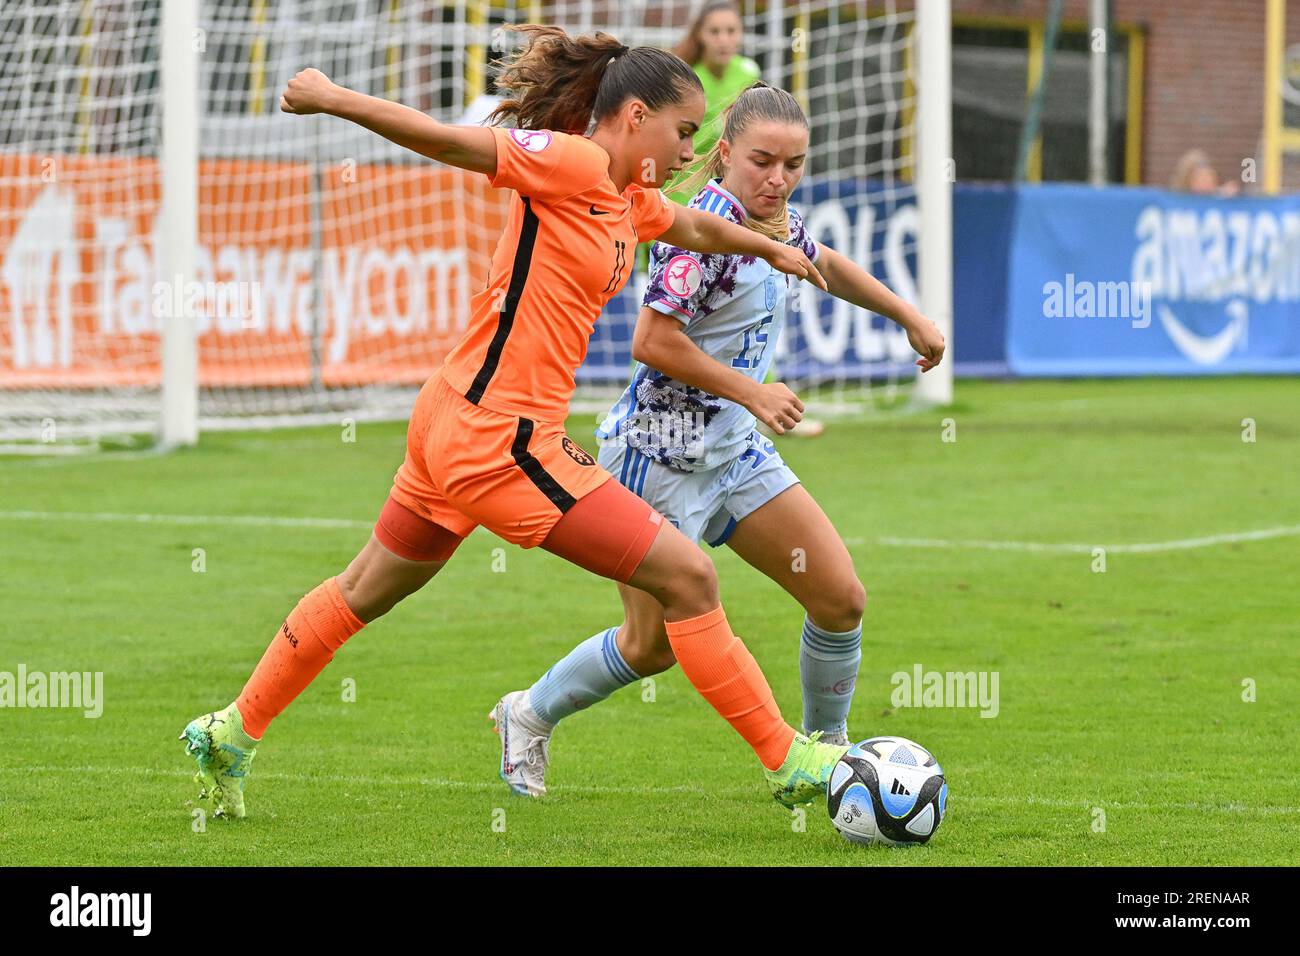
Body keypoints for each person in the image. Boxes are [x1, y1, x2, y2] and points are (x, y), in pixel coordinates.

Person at [178, 25, 847, 819]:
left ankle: (232, 730)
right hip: (504, 440)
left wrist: (766, 249)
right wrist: (333, 99)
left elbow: (694, 225)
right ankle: (786, 759)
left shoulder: (625, 197)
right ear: (635, 116)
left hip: (453, 420)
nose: (686, 150)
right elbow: (452, 142)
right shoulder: (567, 162)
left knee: (364, 589)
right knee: (688, 577)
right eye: (683, 132)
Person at [490, 82, 945, 797]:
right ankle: (525, 713)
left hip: (733, 456)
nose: (779, 179)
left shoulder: (777, 220)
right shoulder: (697, 232)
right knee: (650, 648)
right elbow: (651, 340)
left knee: (839, 598)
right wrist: (753, 391)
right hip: (658, 456)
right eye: (764, 160)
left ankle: (827, 755)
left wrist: (907, 315)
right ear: (725, 152)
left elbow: (824, 260)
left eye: (794, 164)